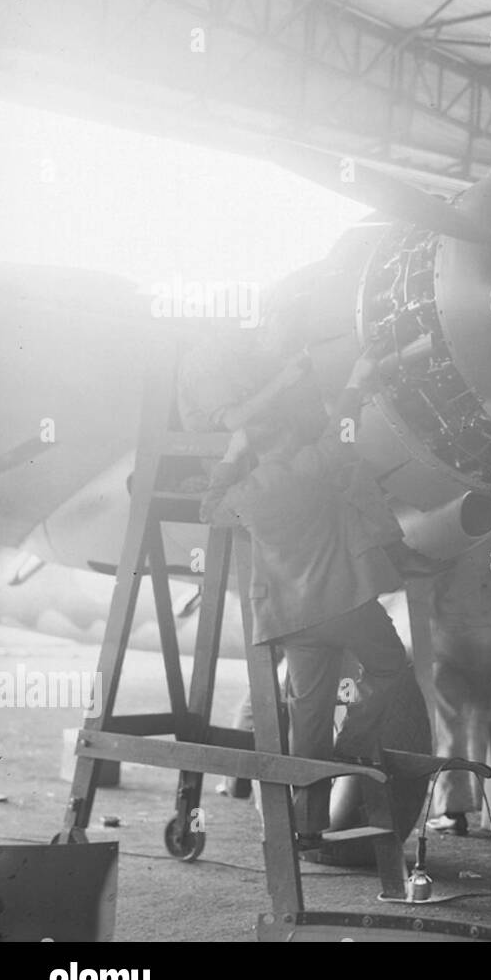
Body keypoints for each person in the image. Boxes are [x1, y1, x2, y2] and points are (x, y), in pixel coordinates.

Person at [200, 350, 412, 841]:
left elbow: (209, 510)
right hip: (347, 603)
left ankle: (307, 829)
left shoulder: (249, 490)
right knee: (389, 666)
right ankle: (354, 746)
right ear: (290, 439)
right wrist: (357, 380)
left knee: (307, 720)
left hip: (293, 620)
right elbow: (343, 429)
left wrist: (231, 458)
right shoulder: (312, 465)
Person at [421, 541, 491, 835]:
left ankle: (453, 812)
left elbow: (429, 594)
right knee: (488, 730)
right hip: (488, 652)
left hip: (450, 650)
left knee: (451, 732)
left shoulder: (451, 544)